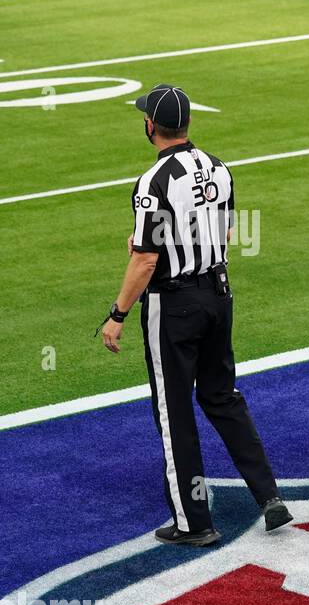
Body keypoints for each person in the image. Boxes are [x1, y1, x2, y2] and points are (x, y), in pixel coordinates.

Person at [98, 83, 290, 546]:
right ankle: (268, 496)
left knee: (175, 411)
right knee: (223, 396)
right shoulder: (218, 169)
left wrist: (117, 313)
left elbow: (145, 259)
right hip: (218, 294)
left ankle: (193, 521)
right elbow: (221, 235)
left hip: (174, 305)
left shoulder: (153, 181)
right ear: (187, 124)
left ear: (150, 126)